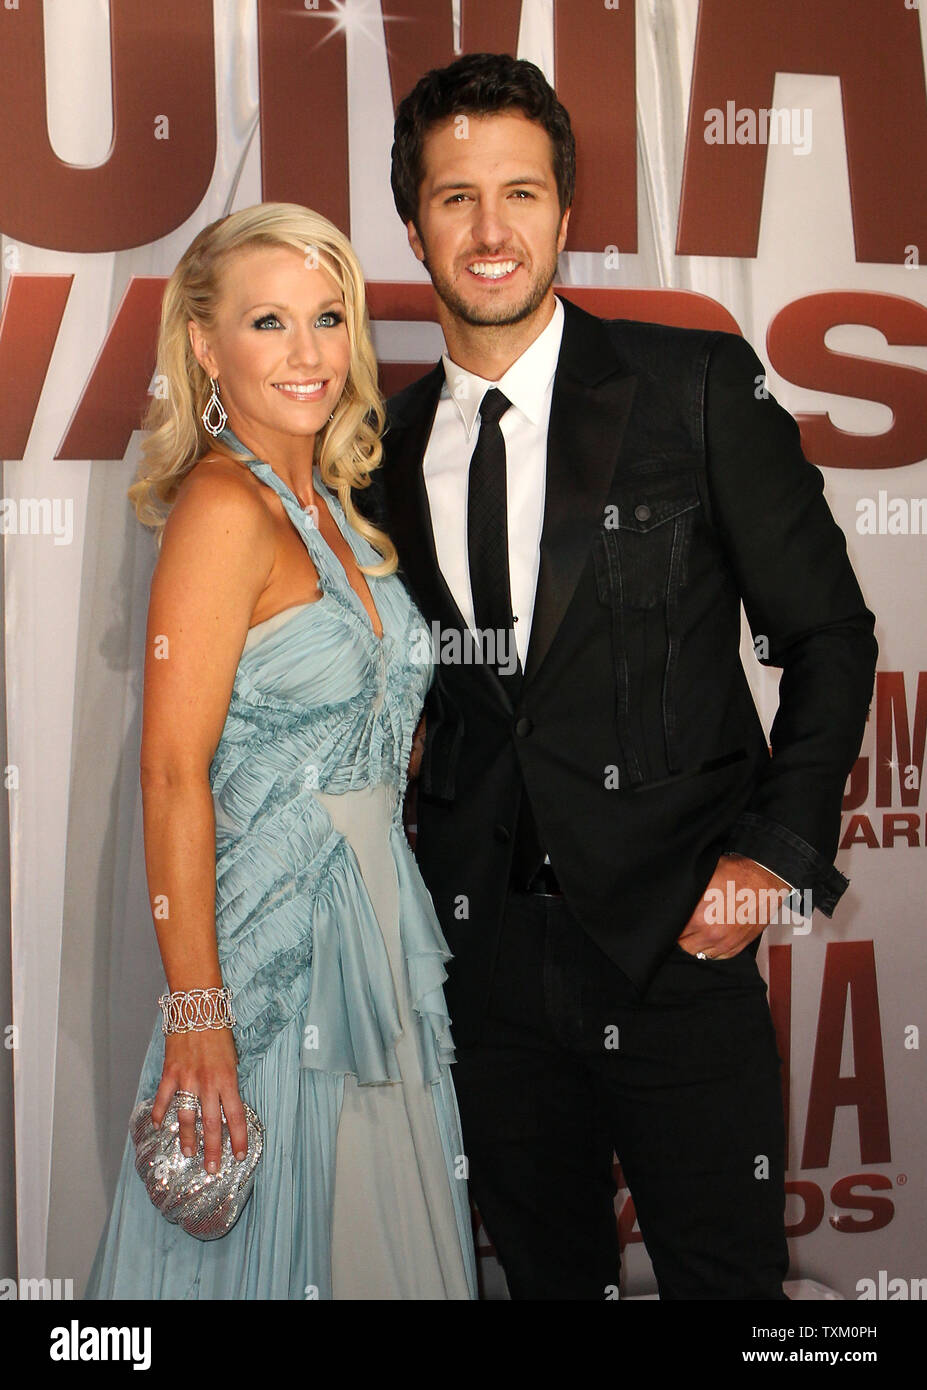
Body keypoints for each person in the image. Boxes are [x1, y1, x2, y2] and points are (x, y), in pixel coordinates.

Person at [366, 53, 878, 1300]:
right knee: (546, 1282)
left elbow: (830, 636)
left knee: (729, 1286)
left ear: (566, 210)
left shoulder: (694, 387)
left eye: (522, 194)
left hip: (674, 952)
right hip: (477, 963)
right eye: (455, 198)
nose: (492, 232)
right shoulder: (372, 451)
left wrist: (770, 859)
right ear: (414, 219)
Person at [84, 202, 477, 1300]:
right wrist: (199, 1013)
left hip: (380, 933)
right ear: (205, 344)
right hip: (279, 950)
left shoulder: (342, 510)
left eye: (328, 317)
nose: (310, 354)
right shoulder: (221, 504)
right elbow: (171, 775)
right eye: (269, 322)